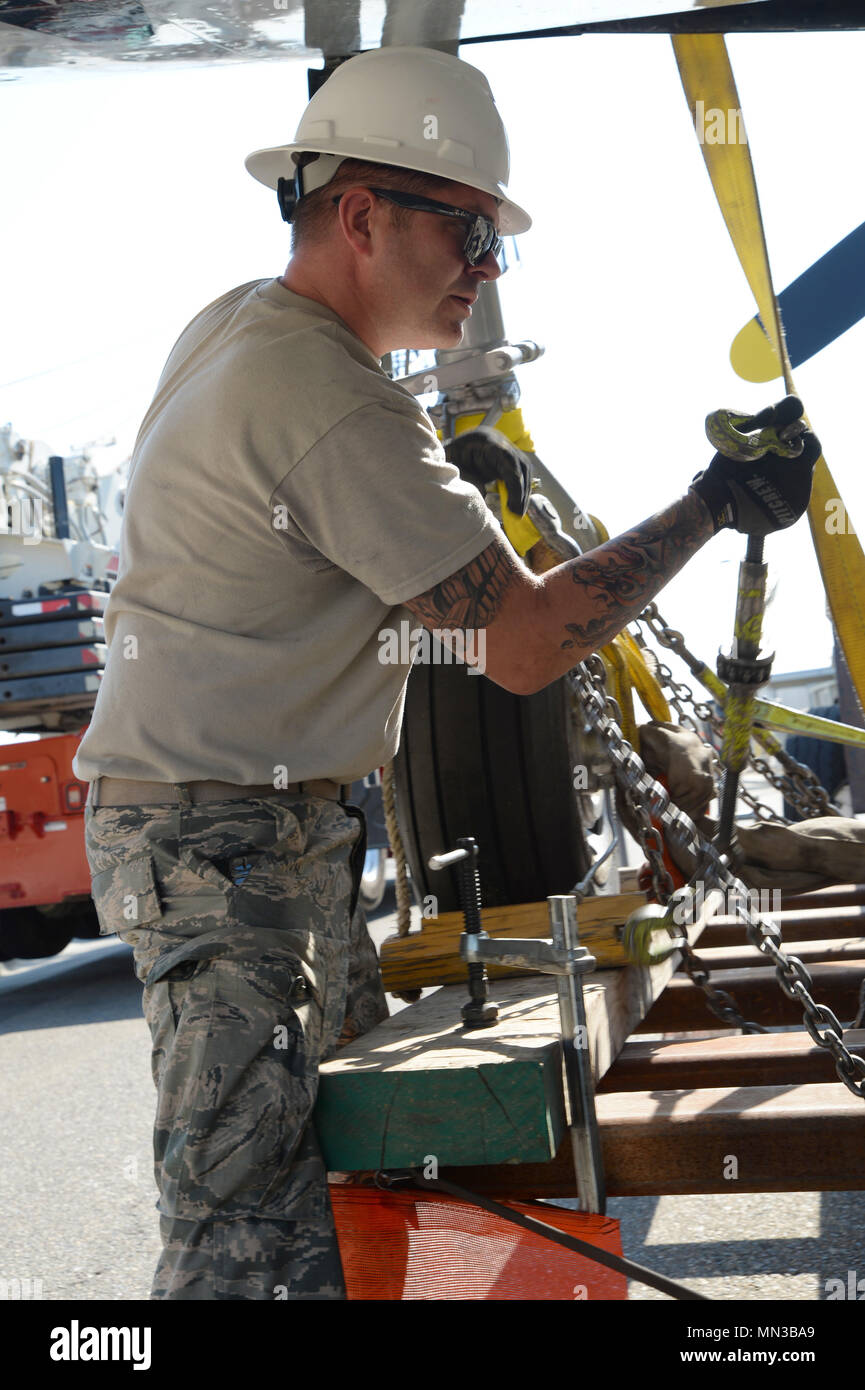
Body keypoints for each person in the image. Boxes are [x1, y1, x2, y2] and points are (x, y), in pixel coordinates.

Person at [74, 44, 819, 1301]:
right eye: (470, 231)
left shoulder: (244, 330)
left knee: (339, 1176)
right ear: (361, 214)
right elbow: (522, 648)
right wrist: (711, 505)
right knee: (241, 1234)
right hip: (225, 840)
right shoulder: (322, 394)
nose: (487, 269)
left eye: (495, 243)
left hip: (250, 830)